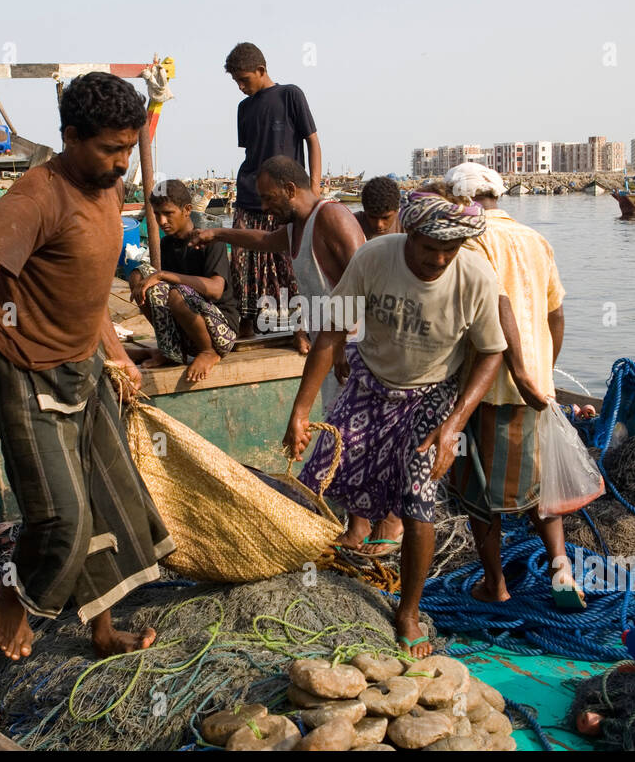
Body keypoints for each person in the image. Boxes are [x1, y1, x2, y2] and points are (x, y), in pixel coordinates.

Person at [0, 72, 174, 661]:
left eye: (129, 149)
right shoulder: (36, 197)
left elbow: (90, 286)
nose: (121, 163)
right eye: (109, 149)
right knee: (63, 519)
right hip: (24, 372)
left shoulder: (105, 186)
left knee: (110, 501)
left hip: (83, 369)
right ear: (71, 137)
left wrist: (118, 353)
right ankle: (12, 588)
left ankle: (101, 635)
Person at [283, 192, 507, 657]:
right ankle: (327, 550)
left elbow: (490, 353)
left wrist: (453, 425)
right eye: (429, 248)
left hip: (433, 393)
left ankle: (407, 610)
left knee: (418, 500)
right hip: (373, 379)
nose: (439, 259)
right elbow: (332, 333)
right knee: (322, 475)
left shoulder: (475, 277)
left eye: (450, 249)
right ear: (409, 233)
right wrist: (301, 411)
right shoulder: (373, 257)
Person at [440, 163, 585, 610]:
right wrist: (543, 371)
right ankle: (561, 566)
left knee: (483, 494)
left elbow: (488, 311)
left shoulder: (470, 239)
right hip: (537, 390)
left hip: (490, 391)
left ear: (459, 200)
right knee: (540, 489)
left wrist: (517, 371)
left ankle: (495, 584)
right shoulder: (535, 239)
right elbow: (556, 314)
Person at [190, 155, 362, 411]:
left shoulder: (331, 216)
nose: (264, 207)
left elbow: (364, 281)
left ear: (291, 189)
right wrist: (217, 233)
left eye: (268, 198)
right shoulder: (297, 228)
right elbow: (264, 240)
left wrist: (342, 341)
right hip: (327, 349)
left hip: (354, 350)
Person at [224, 42, 322, 341]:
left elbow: (312, 141)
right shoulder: (244, 108)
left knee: (289, 262)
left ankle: (301, 327)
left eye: (245, 80)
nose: (241, 87)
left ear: (261, 70)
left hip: (286, 196)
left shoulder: (290, 94)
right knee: (243, 262)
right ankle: (246, 322)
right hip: (249, 194)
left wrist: (314, 187)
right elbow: (252, 153)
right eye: (236, 82)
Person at [127, 179, 239, 383]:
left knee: (178, 295)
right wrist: (150, 280)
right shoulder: (167, 243)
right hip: (187, 328)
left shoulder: (209, 239)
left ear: (187, 210)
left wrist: (164, 275)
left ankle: (207, 352)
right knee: (139, 276)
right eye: (157, 214)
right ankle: (170, 350)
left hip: (221, 332)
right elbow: (161, 293)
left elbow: (215, 290)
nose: (162, 221)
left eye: (168, 213)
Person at [356, 175, 401, 240]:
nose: (379, 225)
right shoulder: (353, 224)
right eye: (372, 217)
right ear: (365, 210)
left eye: (385, 218)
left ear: (397, 210)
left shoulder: (407, 227)